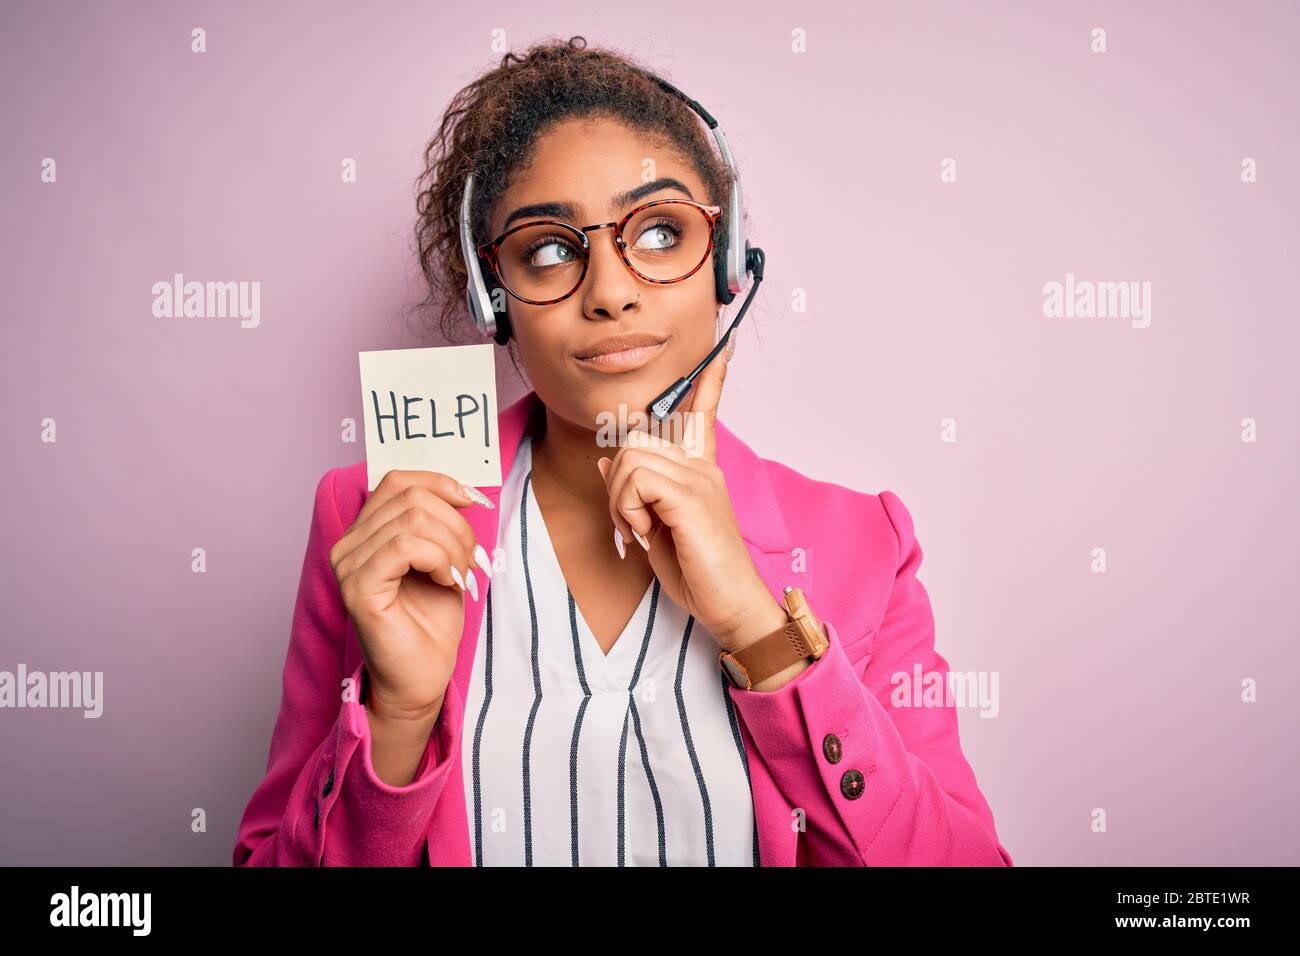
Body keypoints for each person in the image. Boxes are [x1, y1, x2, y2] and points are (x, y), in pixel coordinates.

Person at [233, 35, 1013, 867]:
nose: (609, 292)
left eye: (659, 234)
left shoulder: (865, 544)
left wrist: (759, 630)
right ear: (492, 299)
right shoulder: (369, 520)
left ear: (725, 263)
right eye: (549, 249)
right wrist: (397, 721)